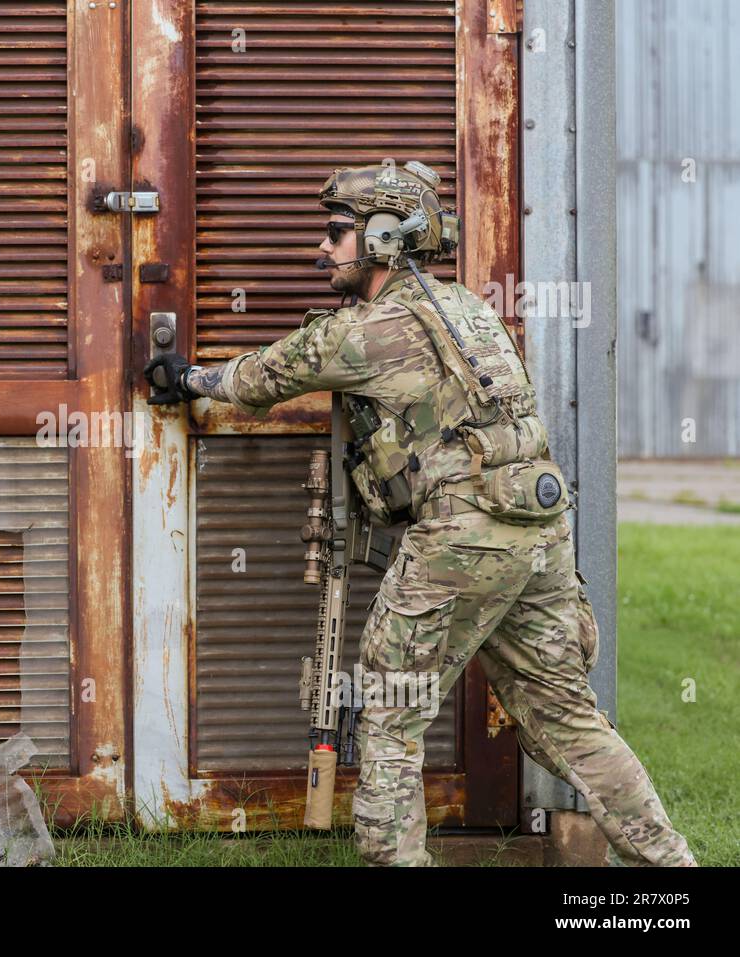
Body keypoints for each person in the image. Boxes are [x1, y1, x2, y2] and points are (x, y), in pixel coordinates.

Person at [145, 159, 695, 867]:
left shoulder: (366, 331)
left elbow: (264, 376)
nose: (322, 247)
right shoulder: (470, 308)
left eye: (337, 233)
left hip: (463, 535)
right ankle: (673, 867)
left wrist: (187, 377)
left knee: (390, 710)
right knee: (568, 717)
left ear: (381, 239)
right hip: (539, 530)